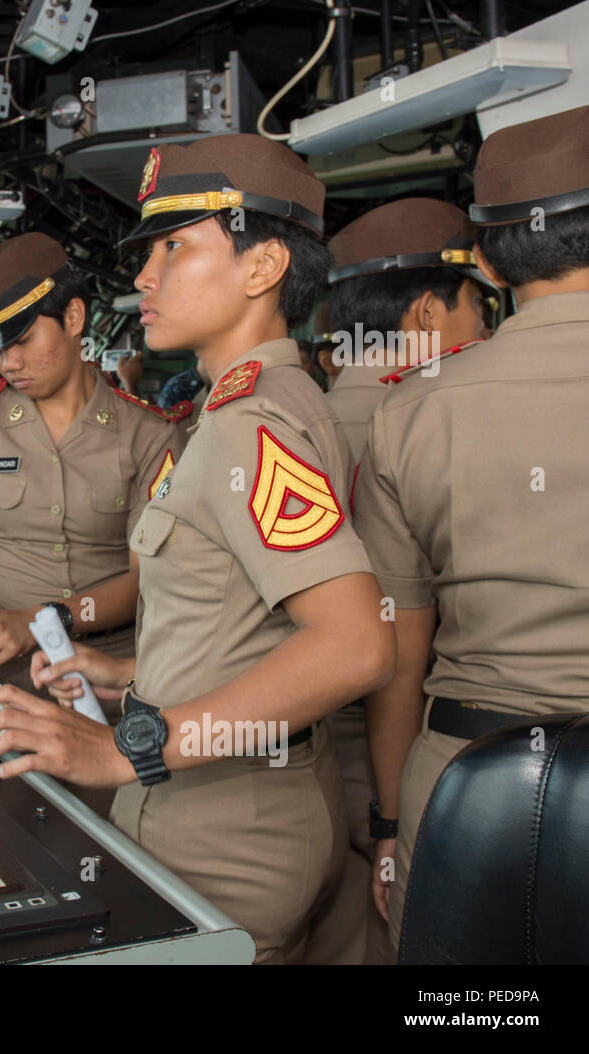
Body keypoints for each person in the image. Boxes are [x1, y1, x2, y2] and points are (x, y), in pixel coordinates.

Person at [0, 135, 395, 963]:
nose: (144, 277)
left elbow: (355, 645)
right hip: (261, 795)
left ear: (263, 266)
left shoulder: (251, 424)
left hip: (224, 826)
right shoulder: (275, 399)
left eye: (175, 248)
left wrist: (124, 748)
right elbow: (246, 622)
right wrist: (128, 674)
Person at [353, 104, 589, 951]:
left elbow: (397, 651)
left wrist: (390, 821)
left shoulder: (410, 413)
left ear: (485, 261)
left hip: (462, 778)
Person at [309, 197, 491, 963]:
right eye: (477, 308)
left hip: (306, 749)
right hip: (410, 743)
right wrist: (393, 814)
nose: (485, 332)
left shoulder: (292, 423)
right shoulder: (448, 425)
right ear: (425, 312)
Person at [0, 233, 190, 704]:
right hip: (1, 675)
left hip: (116, 674)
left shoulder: (150, 434)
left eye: (23, 340)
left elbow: (150, 580)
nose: (9, 363)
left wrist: (42, 620)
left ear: (72, 318)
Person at [324, 197, 491, 462]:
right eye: (477, 302)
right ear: (428, 313)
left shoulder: (300, 423)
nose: (483, 325)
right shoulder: (452, 432)